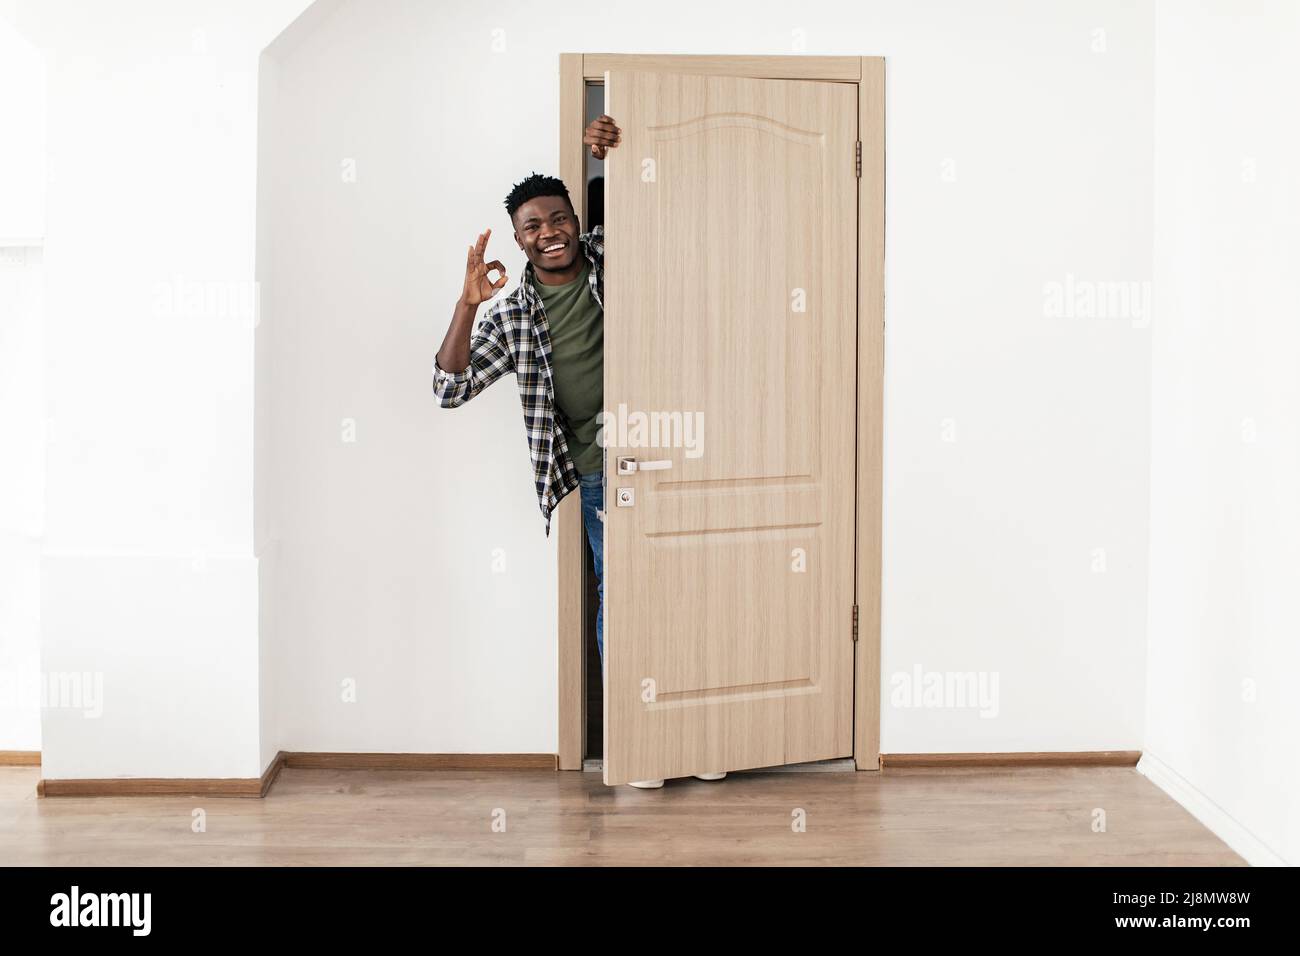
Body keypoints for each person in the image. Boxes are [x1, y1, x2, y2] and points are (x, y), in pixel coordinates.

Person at [432, 115, 725, 790]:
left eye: (558, 218)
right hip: (605, 473)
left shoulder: (613, 256)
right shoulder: (512, 316)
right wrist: (468, 304)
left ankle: (699, 734)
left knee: (695, 589)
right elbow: (449, 389)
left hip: (675, 451)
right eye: (533, 226)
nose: (550, 232)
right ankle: (640, 741)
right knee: (623, 599)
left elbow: (656, 201)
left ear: (574, 220)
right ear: (517, 239)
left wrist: (607, 153)